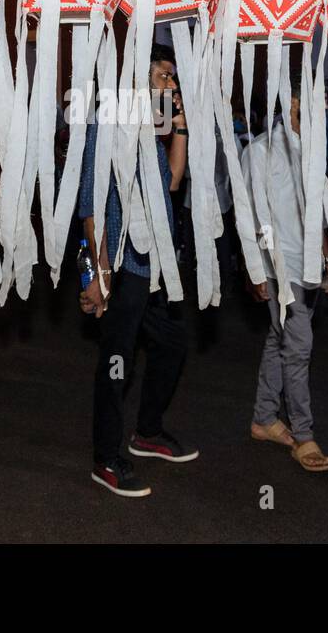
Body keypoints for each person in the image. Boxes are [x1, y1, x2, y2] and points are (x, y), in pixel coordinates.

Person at [78, 42, 193, 498]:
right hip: (119, 265)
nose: (171, 84)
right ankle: (105, 458)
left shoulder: (153, 127)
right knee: (116, 362)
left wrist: (180, 123)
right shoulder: (105, 120)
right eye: (164, 75)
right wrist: (94, 277)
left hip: (153, 266)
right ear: (139, 79)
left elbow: (173, 181)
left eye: (173, 78)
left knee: (173, 344)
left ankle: (146, 432)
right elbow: (88, 203)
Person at [242, 85, 328, 472]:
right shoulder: (261, 152)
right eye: (322, 102)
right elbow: (253, 217)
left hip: (309, 266)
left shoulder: (312, 150)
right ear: (296, 103)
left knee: (279, 340)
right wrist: (260, 268)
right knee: (299, 348)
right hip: (281, 267)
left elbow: (315, 210)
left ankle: (264, 418)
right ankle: (304, 436)